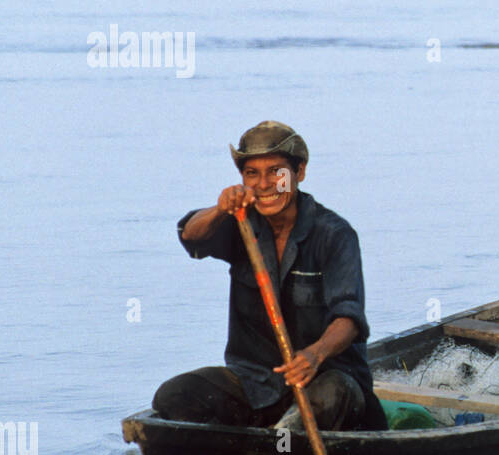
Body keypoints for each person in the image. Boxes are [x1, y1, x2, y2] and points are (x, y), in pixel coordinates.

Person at [153, 121, 388, 432]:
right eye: (252, 174)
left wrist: (315, 355)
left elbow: (349, 319)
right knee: (174, 395)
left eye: (276, 172)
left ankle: (280, 440)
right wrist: (220, 209)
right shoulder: (241, 223)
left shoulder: (334, 234)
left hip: (325, 379)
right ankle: (261, 442)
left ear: (299, 173)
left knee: (332, 395)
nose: (264, 184)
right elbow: (191, 236)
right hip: (255, 384)